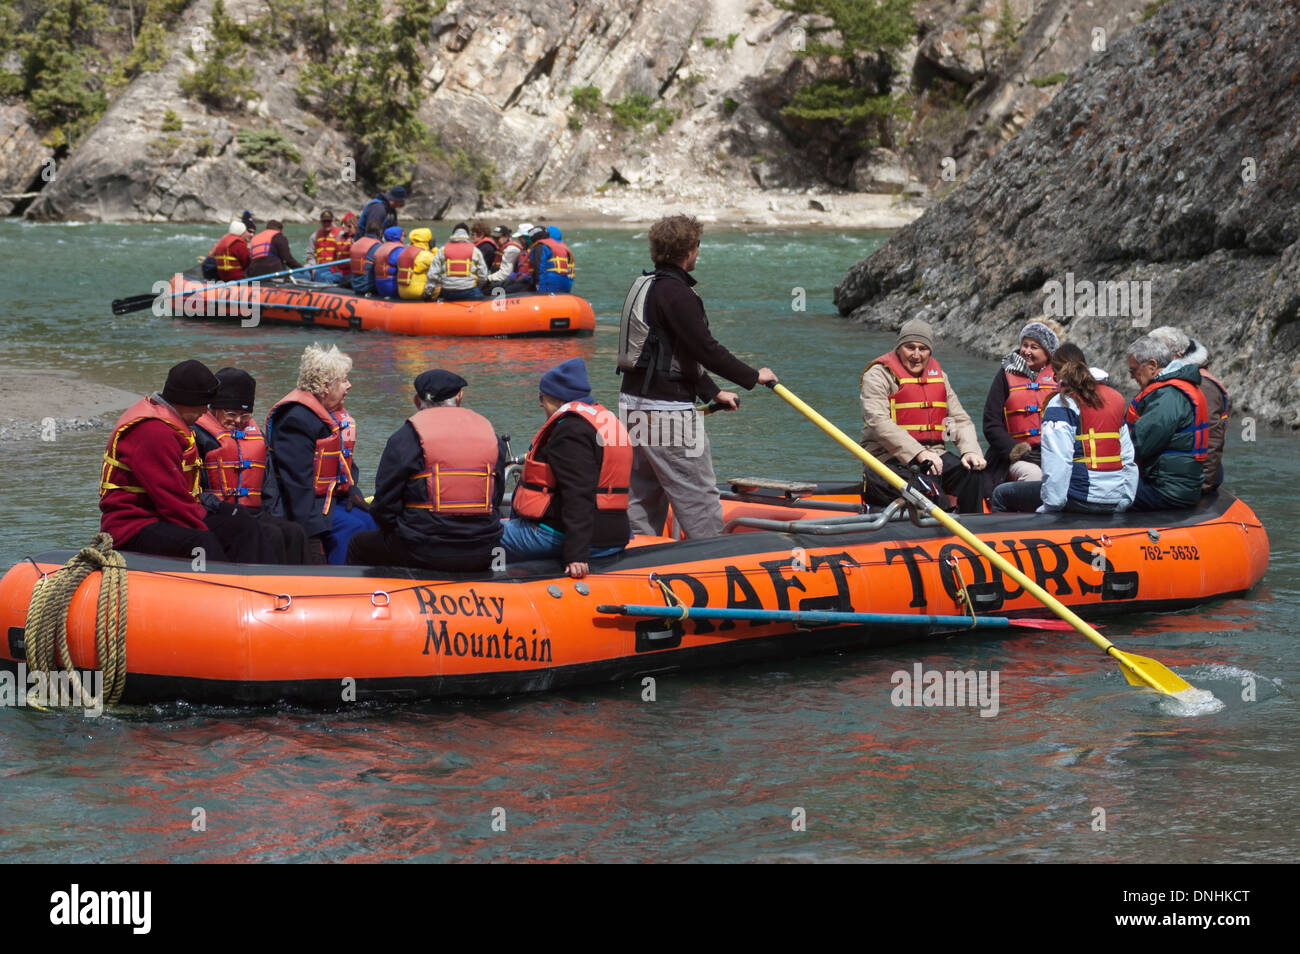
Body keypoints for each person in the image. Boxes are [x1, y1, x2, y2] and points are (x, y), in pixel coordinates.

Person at [618, 214, 778, 538]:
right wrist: (753, 375)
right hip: (669, 415)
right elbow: (705, 348)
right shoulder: (679, 295)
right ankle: (714, 565)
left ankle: (641, 561)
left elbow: (673, 352)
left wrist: (713, 392)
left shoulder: (647, 287)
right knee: (698, 497)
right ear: (690, 250)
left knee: (642, 495)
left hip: (632, 407)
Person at [99, 360, 271, 563]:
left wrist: (225, 515)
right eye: (201, 407)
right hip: (133, 525)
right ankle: (226, 586)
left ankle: (257, 578)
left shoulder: (169, 422)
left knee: (240, 522)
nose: (203, 413)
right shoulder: (153, 432)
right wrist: (205, 526)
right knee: (202, 541)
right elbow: (170, 499)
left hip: (160, 516)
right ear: (187, 402)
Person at [347, 370, 508, 571]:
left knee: (358, 544)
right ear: (459, 397)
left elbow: (385, 505)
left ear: (417, 400)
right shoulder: (491, 436)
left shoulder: (405, 438)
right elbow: (496, 496)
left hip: (424, 550)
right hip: (486, 549)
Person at [503, 359, 632, 577]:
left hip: (574, 537)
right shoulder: (604, 421)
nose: (540, 404)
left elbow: (578, 494)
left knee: (478, 536)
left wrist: (576, 554)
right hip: (614, 534)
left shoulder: (571, 431)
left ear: (555, 397)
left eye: (541, 397)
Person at [990, 344, 1137, 514]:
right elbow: (1127, 457)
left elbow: (1058, 461)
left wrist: (1051, 507)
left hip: (1079, 497)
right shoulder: (1116, 398)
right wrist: (1124, 500)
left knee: (1001, 494)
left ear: (1055, 372)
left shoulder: (1061, 404)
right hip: (1115, 498)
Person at [859, 318, 986, 513]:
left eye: (923, 349)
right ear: (899, 348)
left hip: (934, 454)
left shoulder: (939, 376)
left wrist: (970, 451)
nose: (916, 355)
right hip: (890, 458)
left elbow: (958, 419)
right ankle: (938, 526)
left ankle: (975, 528)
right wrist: (918, 453)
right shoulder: (878, 375)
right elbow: (879, 422)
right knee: (932, 495)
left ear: (930, 352)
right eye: (910, 347)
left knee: (973, 475)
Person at [264, 344, 377, 563]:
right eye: (344, 380)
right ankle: (339, 582)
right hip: (307, 507)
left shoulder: (331, 415)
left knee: (372, 521)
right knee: (352, 527)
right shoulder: (295, 420)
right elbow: (297, 484)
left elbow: (346, 465)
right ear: (326, 386)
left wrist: (354, 491)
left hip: (331, 500)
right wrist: (312, 533)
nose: (349, 385)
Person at [192, 368, 308, 563]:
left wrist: (274, 515)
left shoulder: (256, 437)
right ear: (214, 409)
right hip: (218, 513)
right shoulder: (199, 437)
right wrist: (222, 508)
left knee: (294, 532)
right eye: (231, 413)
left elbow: (269, 486)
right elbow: (195, 488)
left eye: (245, 415)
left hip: (253, 512)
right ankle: (268, 586)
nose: (238, 421)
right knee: (272, 535)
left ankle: (301, 585)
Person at [1124, 335, 1209, 511]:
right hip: (1179, 485)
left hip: (1166, 491)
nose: (1132, 377)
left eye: (1133, 370)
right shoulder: (1176, 387)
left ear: (1152, 366)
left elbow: (1139, 445)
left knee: (1097, 488)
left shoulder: (1167, 396)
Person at [982, 320, 1060, 496]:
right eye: (1025, 345)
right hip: (1012, 457)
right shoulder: (1005, 374)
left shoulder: (1059, 375)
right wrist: (1018, 451)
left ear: (1048, 353)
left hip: (1054, 453)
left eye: (1034, 347)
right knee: (1033, 475)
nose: (1027, 351)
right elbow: (991, 423)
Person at [1148, 325, 1229, 493]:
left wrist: (1203, 485)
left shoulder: (1203, 385)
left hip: (1195, 474)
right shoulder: (1174, 379)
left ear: (1176, 355)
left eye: (1155, 352)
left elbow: (1212, 438)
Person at [429, 223, 488, 300]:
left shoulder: (442, 250)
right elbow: (483, 276)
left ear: (453, 234)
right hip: (469, 291)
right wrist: (478, 286)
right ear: (467, 235)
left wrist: (428, 292)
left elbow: (432, 275)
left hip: (448, 292)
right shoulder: (475, 251)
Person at [527, 225, 575, 293]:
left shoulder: (540, 246)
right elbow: (571, 272)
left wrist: (539, 289)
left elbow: (539, 268)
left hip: (548, 285)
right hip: (565, 285)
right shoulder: (564, 248)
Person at [396, 228, 438, 300]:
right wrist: (434, 249)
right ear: (426, 240)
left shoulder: (403, 253)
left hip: (402, 293)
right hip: (418, 293)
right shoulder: (425, 255)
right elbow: (439, 263)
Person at [306, 209, 345, 281]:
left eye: (329, 221)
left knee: (322, 276)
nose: (327, 223)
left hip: (334, 267)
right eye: (324, 221)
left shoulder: (341, 234)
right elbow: (310, 255)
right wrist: (312, 266)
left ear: (333, 221)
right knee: (304, 274)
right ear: (320, 222)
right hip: (319, 267)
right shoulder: (314, 236)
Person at [486, 224, 529, 290]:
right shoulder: (501, 248)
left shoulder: (511, 249)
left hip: (507, 280)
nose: (495, 240)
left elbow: (505, 274)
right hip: (500, 278)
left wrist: (488, 278)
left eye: (497, 238)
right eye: (494, 238)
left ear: (506, 237)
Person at [371, 226, 406, 298]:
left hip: (379, 288)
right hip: (392, 288)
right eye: (403, 236)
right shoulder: (399, 250)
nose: (404, 238)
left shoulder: (380, 248)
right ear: (397, 236)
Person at [348, 228, 382, 295]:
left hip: (355, 286)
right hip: (369, 288)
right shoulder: (378, 247)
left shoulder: (356, 243)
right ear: (380, 233)